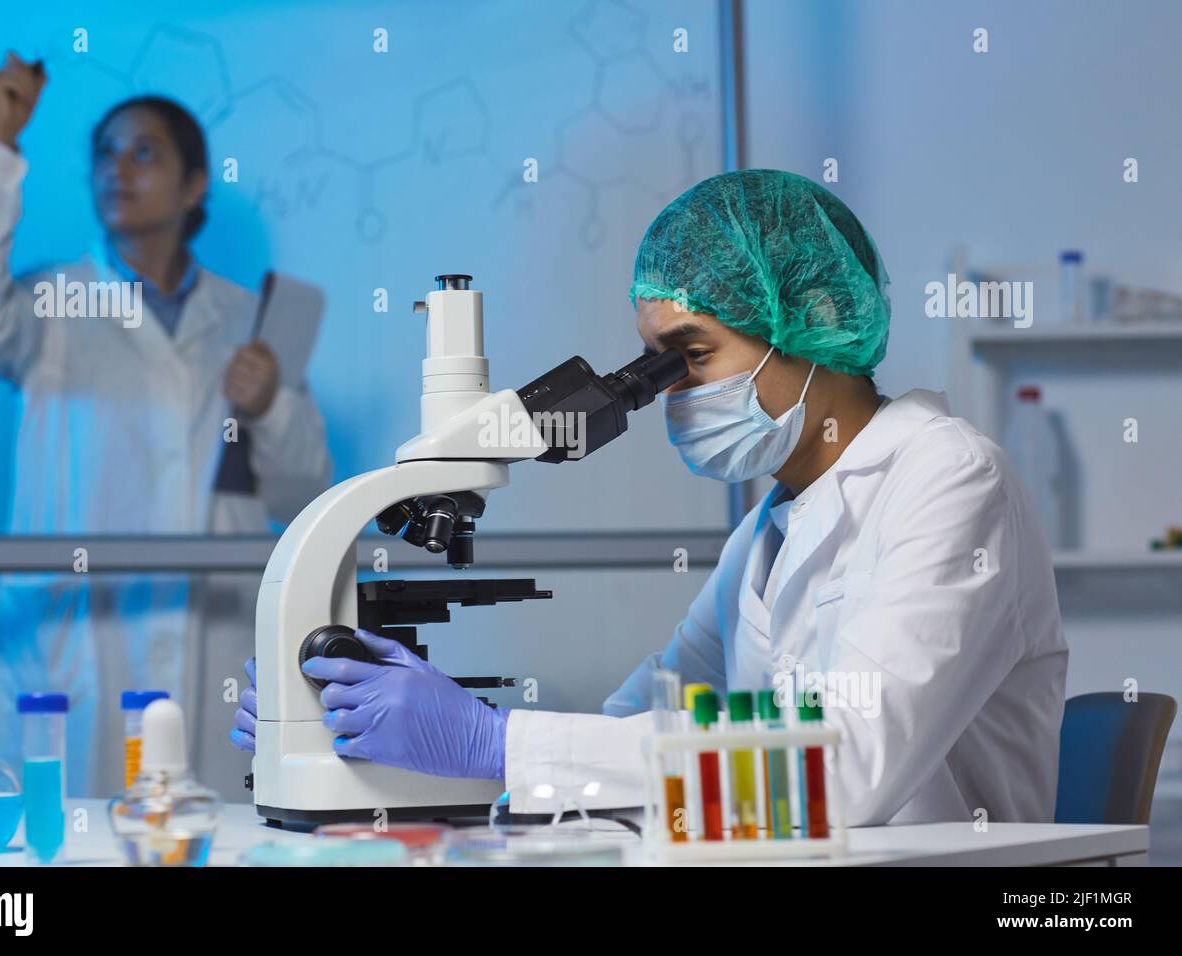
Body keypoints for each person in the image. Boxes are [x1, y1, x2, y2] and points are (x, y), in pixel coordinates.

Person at [230, 170, 1068, 826]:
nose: (671, 393)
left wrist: (492, 742)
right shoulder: (771, 528)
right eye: (654, 363)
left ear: (811, 318)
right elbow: (645, 717)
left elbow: (840, 772)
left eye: (690, 356)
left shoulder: (952, 479)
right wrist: (387, 734)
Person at [0, 52, 332, 797]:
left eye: (144, 152)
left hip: (211, 644)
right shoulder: (52, 304)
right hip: (78, 645)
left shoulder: (251, 319)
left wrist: (272, 402)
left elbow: (304, 491)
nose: (118, 168)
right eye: (105, 154)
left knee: (210, 831)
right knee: (77, 831)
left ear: (194, 184)